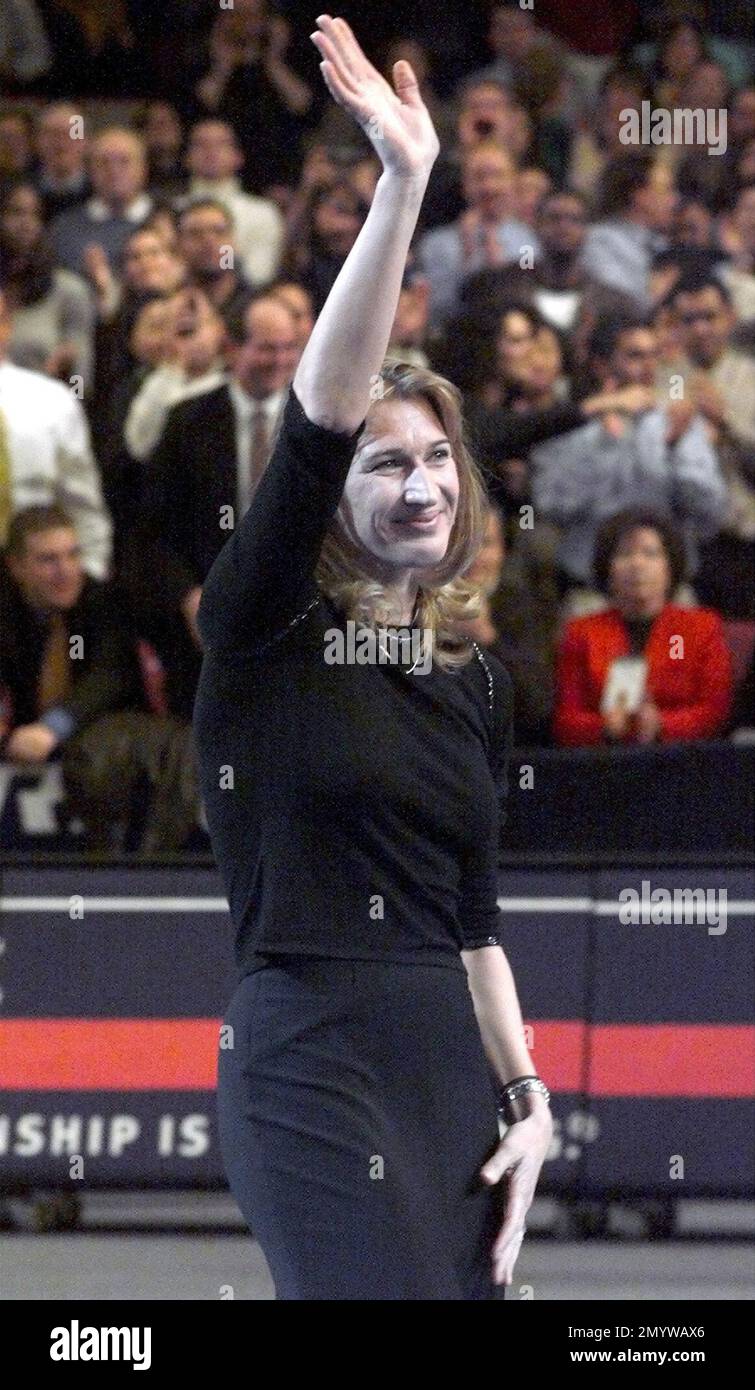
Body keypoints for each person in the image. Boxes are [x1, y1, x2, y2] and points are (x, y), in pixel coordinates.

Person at [194, 13, 552, 1302]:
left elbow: (473, 922)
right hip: (305, 1055)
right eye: (384, 463)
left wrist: (527, 1093)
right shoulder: (262, 627)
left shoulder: (473, 679)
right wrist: (402, 186)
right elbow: (315, 419)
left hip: (448, 1074)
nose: (421, 485)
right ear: (330, 500)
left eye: (438, 458)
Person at [554, 508, 733, 746]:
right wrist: (603, 727)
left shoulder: (700, 627)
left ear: (670, 567)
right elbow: (566, 720)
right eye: (625, 554)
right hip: (604, 759)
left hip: (681, 756)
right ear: (607, 569)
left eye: (650, 553)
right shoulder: (582, 632)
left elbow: (714, 711)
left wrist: (661, 724)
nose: (637, 564)